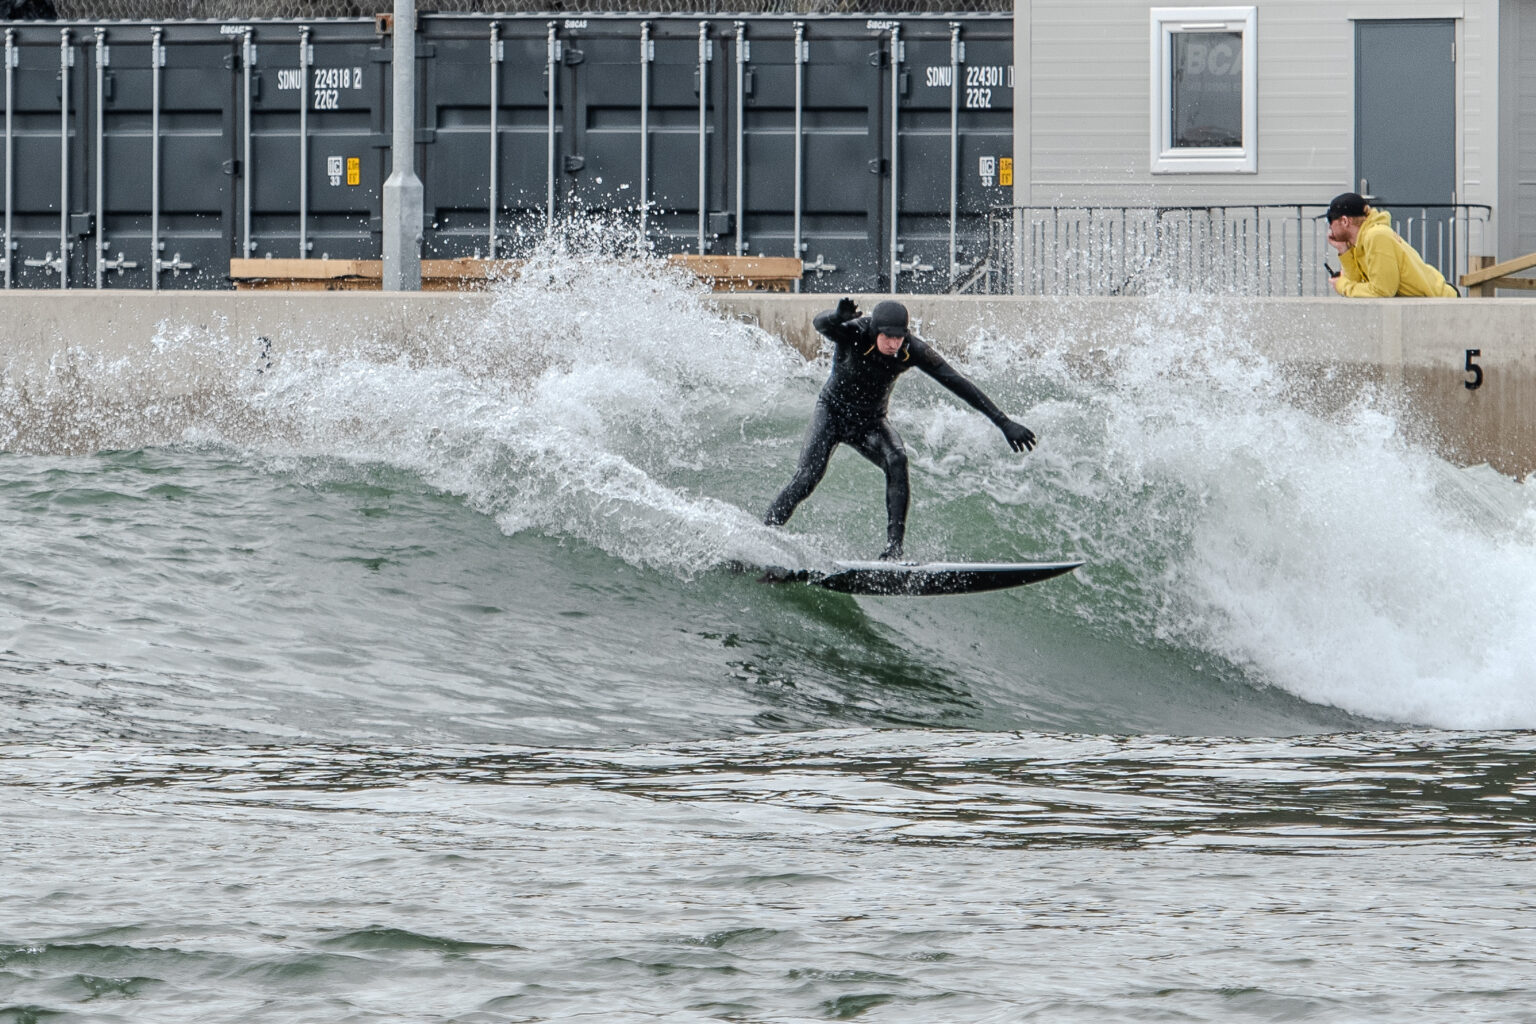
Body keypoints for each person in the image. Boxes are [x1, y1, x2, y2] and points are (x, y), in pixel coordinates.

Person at [763, 298, 1036, 561]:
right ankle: (765, 534)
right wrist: (836, 317)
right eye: (888, 337)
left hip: (871, 422)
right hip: (832, 412)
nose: (894, 343)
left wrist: (1003, 422)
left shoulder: (912, 349)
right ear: (875, 331)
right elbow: (819, 323)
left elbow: (958, 383)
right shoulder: (855, 333)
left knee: (897, 459)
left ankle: (894, 550)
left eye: (899, 337)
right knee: (807, 476)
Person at [1324, 191, 1459, 298]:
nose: (1329, 227)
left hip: (1442, 301)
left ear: (1345, 221)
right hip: (1422, 302)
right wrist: (1344, 250)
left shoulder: (1376, 236)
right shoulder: (1359, 241)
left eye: (1330, 221)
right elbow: (1358, 283)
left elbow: (1382, 291)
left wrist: (1342, 285)